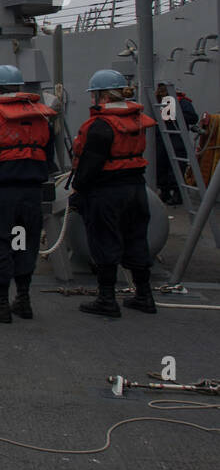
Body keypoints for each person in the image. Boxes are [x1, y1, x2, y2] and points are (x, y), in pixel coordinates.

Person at [0, 65, 56, 322]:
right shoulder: (41, 119)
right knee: (23, 244)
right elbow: (48, 158)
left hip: (0, 196)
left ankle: (0, 303)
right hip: (30, 197)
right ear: (19, 89)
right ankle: (24, 299)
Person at [71, 69, 156, 316]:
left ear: (101, 96)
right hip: (136, 188)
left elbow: (89, 166)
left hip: (106, 192)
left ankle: (107, 299)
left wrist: (78, 192)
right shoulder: (137, 121)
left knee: (104, 241)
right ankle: (144, 295)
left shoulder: (100, 126)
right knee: (137, 239)